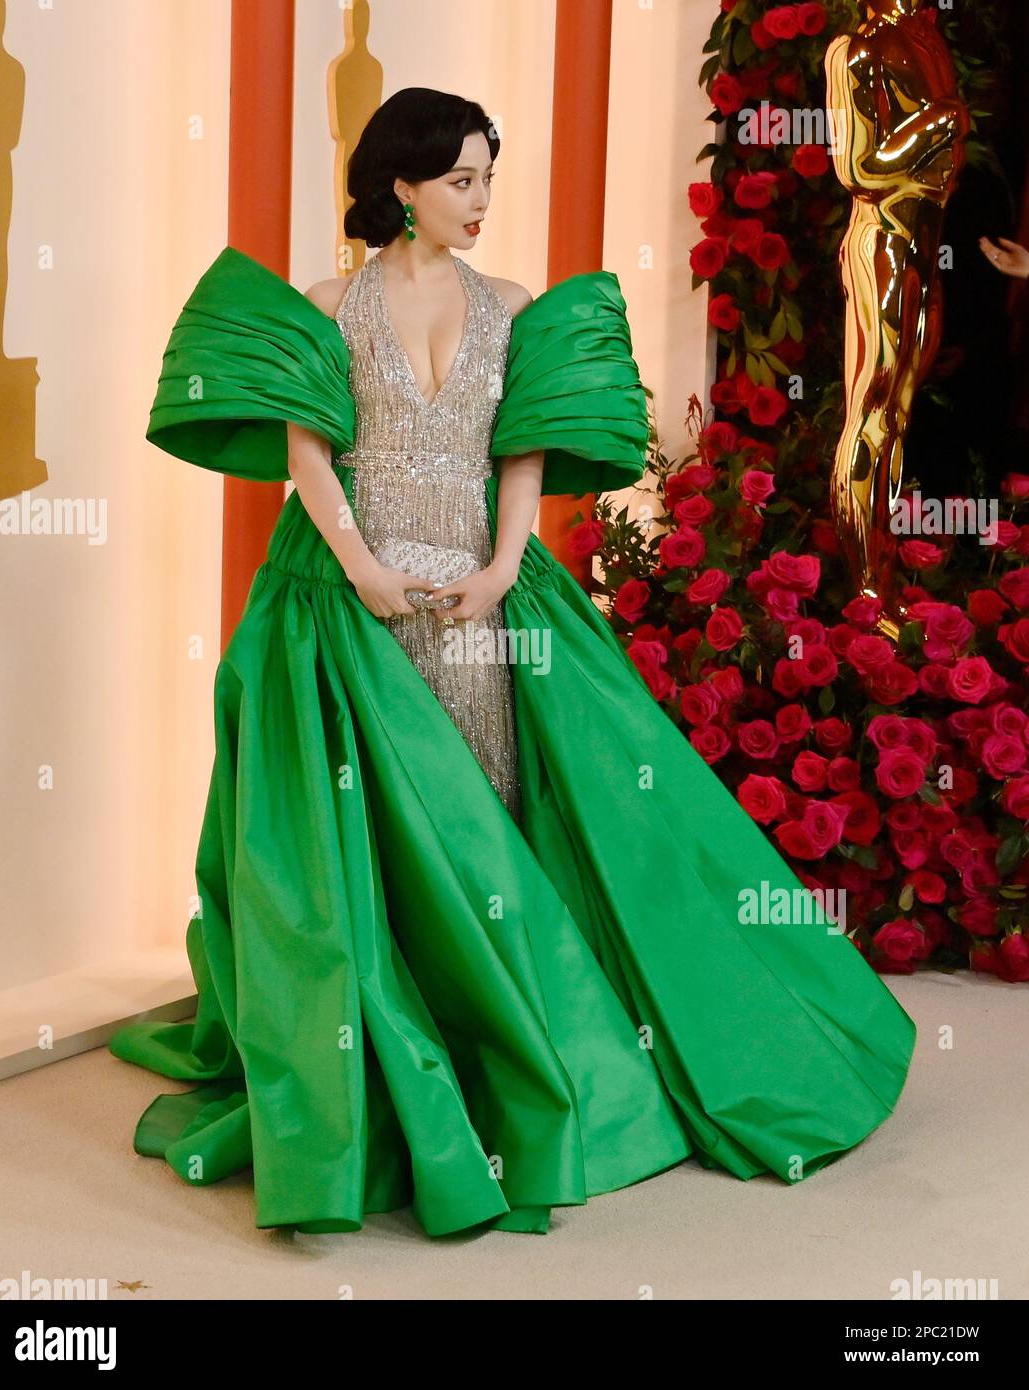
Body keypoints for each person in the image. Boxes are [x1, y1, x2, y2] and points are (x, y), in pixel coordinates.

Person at [108, 87, 916, 1239]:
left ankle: (503, 1053)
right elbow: (310, 458)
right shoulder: (326, 304)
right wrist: (360, 573)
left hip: (482, 596)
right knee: (372, 825)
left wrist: (497, 575)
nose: (483, 202)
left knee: (487, 808)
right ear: (401, 184)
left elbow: (520, 463)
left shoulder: (515, 306)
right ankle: (387, 1067)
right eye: (461, 181)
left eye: (490, 178)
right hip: (354, 591)